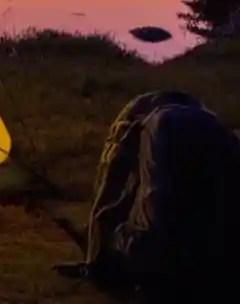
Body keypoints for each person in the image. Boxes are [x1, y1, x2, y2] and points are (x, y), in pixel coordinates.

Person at [56, 91, 240, 301]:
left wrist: (95, 259)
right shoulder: (214, 127)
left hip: (161, 257)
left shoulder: (142, 125)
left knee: (147, 230)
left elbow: (109, 195)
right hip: (219, 258)